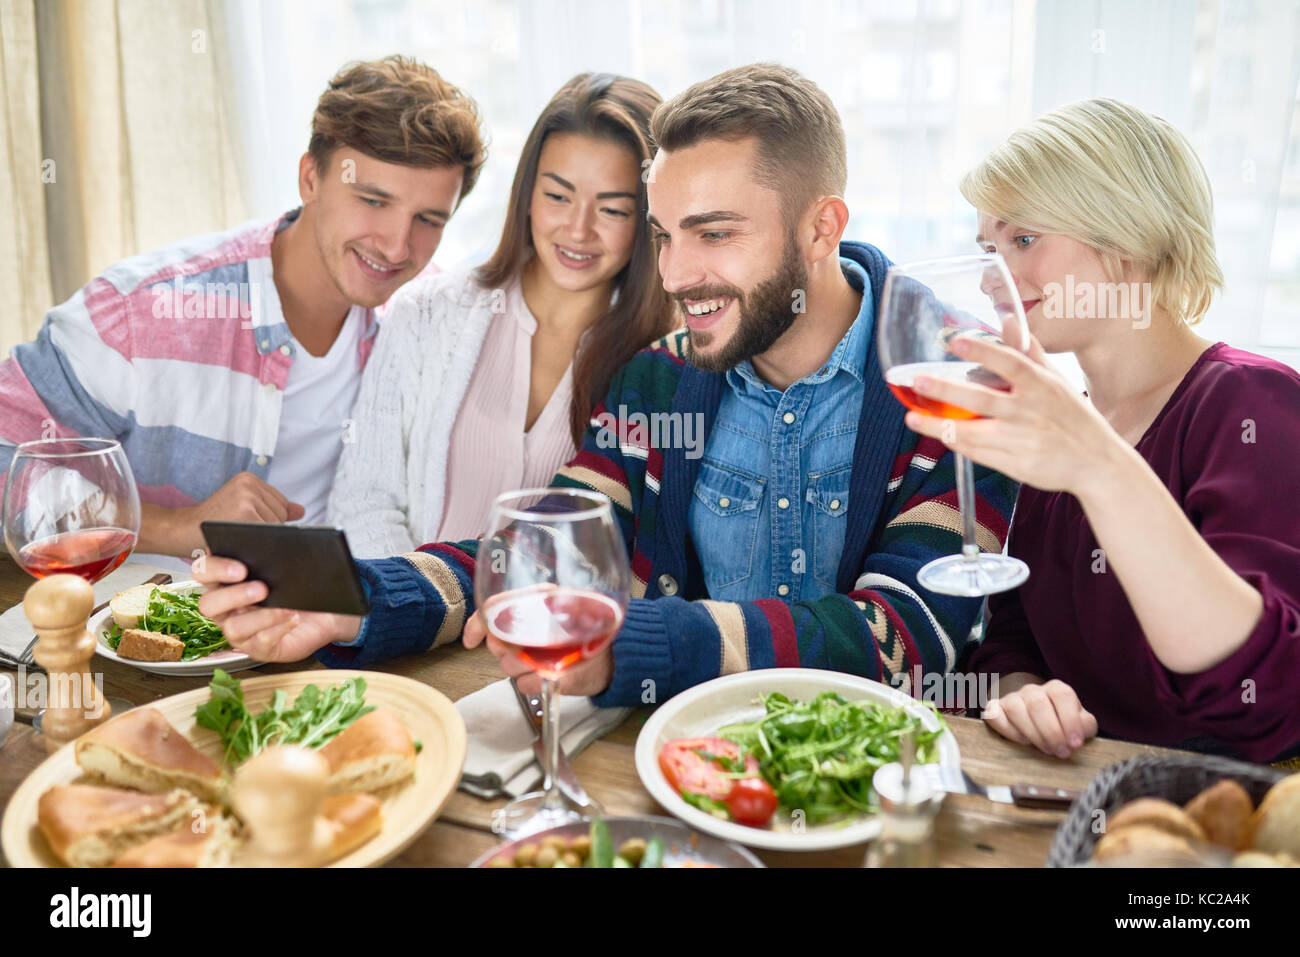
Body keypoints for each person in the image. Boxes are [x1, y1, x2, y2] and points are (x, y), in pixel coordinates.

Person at [194, 64, 1019, 707]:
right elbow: (540, 548)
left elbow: (903, 638)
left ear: (820, 228)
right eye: (663, 235)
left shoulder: (953, 379)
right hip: (679, 778)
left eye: (715, 233)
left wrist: (629, 644)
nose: (678, 273)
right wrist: (360, 602)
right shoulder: (658, 378)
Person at [898, 99, 1300, 763]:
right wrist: (1024, 692)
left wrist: (1098, 464)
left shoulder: (1249, 402)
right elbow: (1015, 634)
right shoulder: (1068, 427)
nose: (993, 277)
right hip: (1081, 801)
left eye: (1023, 240)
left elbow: (1265, 692)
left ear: (1128, 241)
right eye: (987, 249)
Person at [0, 56, 485, 567]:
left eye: (428, 219)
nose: (395, 246)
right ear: (310, 179)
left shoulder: (429, 322)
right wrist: (179, 527)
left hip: (334, 629)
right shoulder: (144, 312)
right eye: (372, 201)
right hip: (159, 630)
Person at [329, 73, 675, 558]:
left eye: (612, 210)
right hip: (413, 625)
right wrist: (421, 614)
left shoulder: (664, 362)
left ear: (648, 218)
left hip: (560, 631)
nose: (578, 230)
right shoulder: (427, 313)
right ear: (527, 193)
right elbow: (363, 500)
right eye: (557, 196)